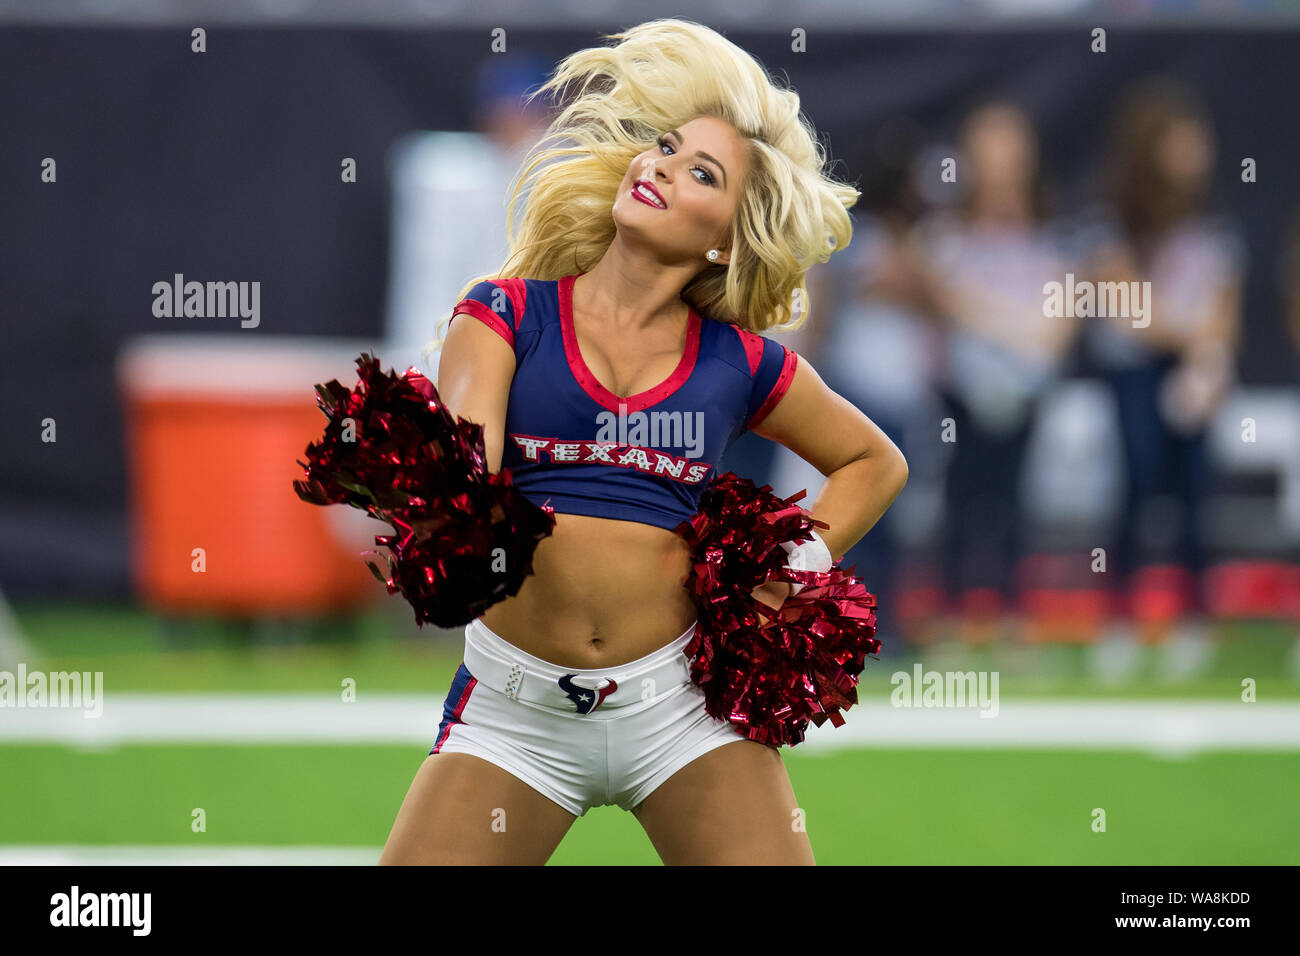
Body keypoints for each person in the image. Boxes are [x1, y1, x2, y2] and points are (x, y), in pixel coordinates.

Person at [378, 18, 908, 866]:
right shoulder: (507, 313)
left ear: (726, 237)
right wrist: (437, 496)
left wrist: (782, 572)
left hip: (682, 712)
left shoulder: (738, 363)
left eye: (701, 170)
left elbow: (874, 462)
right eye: (663, 145)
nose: (659, 164)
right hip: (516, 715)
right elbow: (464, 473)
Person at [1081, 78, 1244, 666]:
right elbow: (1129, 310)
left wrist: (1207, 356)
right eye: (1182, 141)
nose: (1197, 153)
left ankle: (1193, 620)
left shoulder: (1215, 228)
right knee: (1139, 484)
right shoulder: (1112, 225)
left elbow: (1227, 315)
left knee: (1194, 490)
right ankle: (1120, 621)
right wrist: (1193, 331)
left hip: (1196, 376)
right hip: (1135, 376)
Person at [912, 101, 1077, 643]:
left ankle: (1008, 616)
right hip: (961, 390)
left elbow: (1064, 312)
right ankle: (954, 615)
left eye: (1010, 147)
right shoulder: (947, 231)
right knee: (962, 495)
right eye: (989, 147)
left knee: (1013, 498)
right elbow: (946, 295)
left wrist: (1033, 341)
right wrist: (1014, 326)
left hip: (1026, 388)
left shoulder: (1049, 232)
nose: (1000, 160)